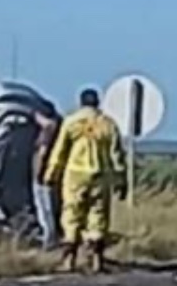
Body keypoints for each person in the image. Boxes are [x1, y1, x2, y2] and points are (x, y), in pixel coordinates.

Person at [44, 87, 127, 273]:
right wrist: (121, 180)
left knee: (72, 214)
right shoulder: (108, 124)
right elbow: (117, 156)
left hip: (75, 175)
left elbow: (60, 151)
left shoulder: (71, 122)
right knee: (98, 216)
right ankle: (96, 260)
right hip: (101, 176)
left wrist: (51, 174)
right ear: (97, 102)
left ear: (81, 102)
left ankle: (69, 261)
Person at [32, 109, 62, 250]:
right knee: (51, 206)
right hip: (54, 172)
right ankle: (52, 236)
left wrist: (38, 173)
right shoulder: (60, 129)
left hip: (44, 174)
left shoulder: (48, 131)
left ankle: (50, 239)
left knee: (45, 208)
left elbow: (43, 153)